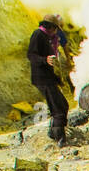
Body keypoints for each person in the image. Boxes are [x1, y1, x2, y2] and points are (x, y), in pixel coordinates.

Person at [26, 16, 69, 146]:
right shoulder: (38, 34)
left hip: (48, 78)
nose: (56, 32)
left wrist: (57, 79)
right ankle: (59, 138)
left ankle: (53, 132)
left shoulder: (48, 38)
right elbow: (31, 55)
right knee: (58, 108)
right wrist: (45, 60)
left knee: (63, 105)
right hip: (42, 78)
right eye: (56, 28)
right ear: (50, 27)